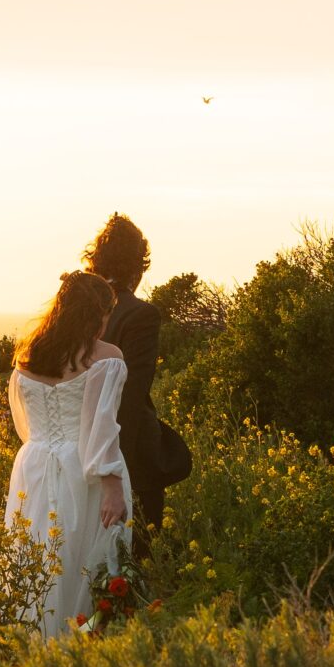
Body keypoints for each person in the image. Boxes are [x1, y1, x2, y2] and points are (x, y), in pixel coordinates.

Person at [4, 270, 133, 637]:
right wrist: (112, 486)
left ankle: (37, 644)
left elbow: (25, 424)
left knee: (42, 555)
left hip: (34, 467)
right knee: (84, 562)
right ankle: (83, 642)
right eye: (106, 314)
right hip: (84, 470)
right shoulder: (105, 358)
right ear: (96, 314)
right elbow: (101, 429)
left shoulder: (28, 354)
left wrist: (45, 448)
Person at [82, 214, 191, 543]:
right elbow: (130, 396)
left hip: (82, 453)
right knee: (140, 559)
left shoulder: (77, 312)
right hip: (130, 461)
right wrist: (117, 474)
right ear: (138, 266)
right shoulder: (141, 314)